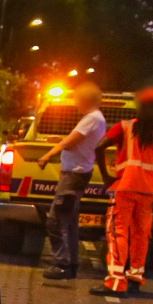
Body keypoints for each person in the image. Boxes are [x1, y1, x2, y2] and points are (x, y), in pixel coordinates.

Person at [92, 87, 153, 295]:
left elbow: (99, 147)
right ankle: (135, 277)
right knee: (140, 234)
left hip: (124, 188)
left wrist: (106, 177)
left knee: (117, 231)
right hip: (147, 193)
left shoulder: (125, 128)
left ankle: (116, 281)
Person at [35, 82, 106, 280]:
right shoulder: (96, 119)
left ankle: (62, 264)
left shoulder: (91, 118)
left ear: (85, 99)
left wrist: (48, 155)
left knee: (55, 221)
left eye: (77, 99)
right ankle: (71, 264)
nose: (75, 103)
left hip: (74, 176)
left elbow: (71, 141)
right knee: (70, 222)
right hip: (77, 175)